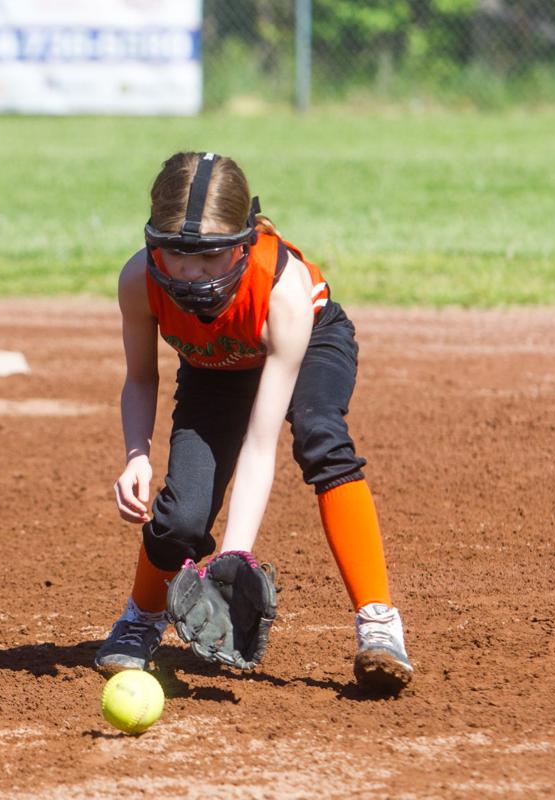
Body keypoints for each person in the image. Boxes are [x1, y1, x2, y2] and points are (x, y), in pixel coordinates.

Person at [94, 151, 413, 693]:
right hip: (215, 365)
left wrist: (234, 558)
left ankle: (378, 621)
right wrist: (136, 455)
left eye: (210, 255)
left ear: (243, 243)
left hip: (305, 342)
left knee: (320, 438)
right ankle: (141, 617)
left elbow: (261, 444)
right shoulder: (138, 281)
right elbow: (141, 379)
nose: (190, 271)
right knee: (181, 519)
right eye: (174, 253)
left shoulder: (281, 291)